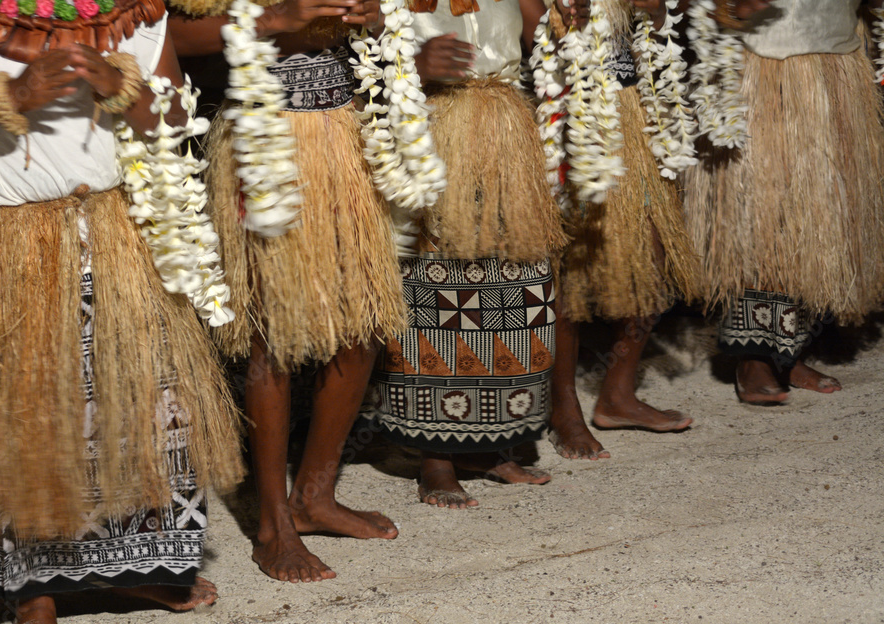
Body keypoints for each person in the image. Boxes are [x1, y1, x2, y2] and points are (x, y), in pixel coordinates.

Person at [0, 0, 244, 624]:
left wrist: (120, 87)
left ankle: (139, 568)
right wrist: (7, 97)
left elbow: (172, 118)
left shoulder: (131, 14)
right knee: (21, 415)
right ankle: (33, 595)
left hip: (112, 232)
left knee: (145, 406)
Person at [168, 0, 406, 583]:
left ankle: (315, 496)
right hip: (265, 142)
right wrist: (273, 20)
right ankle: (273, 522)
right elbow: (170, 35)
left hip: (345, 135)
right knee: (270, 335)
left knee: (364, 324)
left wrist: (377, 16)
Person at [362, 0, 568, 508]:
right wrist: (409, 65)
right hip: (426, 128)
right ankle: (435, 458)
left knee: (517, 291)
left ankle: (493, 445)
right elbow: (350, 56)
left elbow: (545, 35)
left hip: (505, 130)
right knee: (436, 292)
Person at [682, 0, 884, 405]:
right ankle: (753, 356)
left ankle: (788, 352)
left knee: (816, 213)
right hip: (759, 66)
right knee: (760, 212)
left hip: (836, 65)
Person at [548, 0, 701, 461]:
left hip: (630, 107)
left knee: (650, 252)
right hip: (562, 109)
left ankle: (617, 393)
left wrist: (654, 13)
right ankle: (563, 405)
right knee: (570, 272)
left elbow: (674, 16)